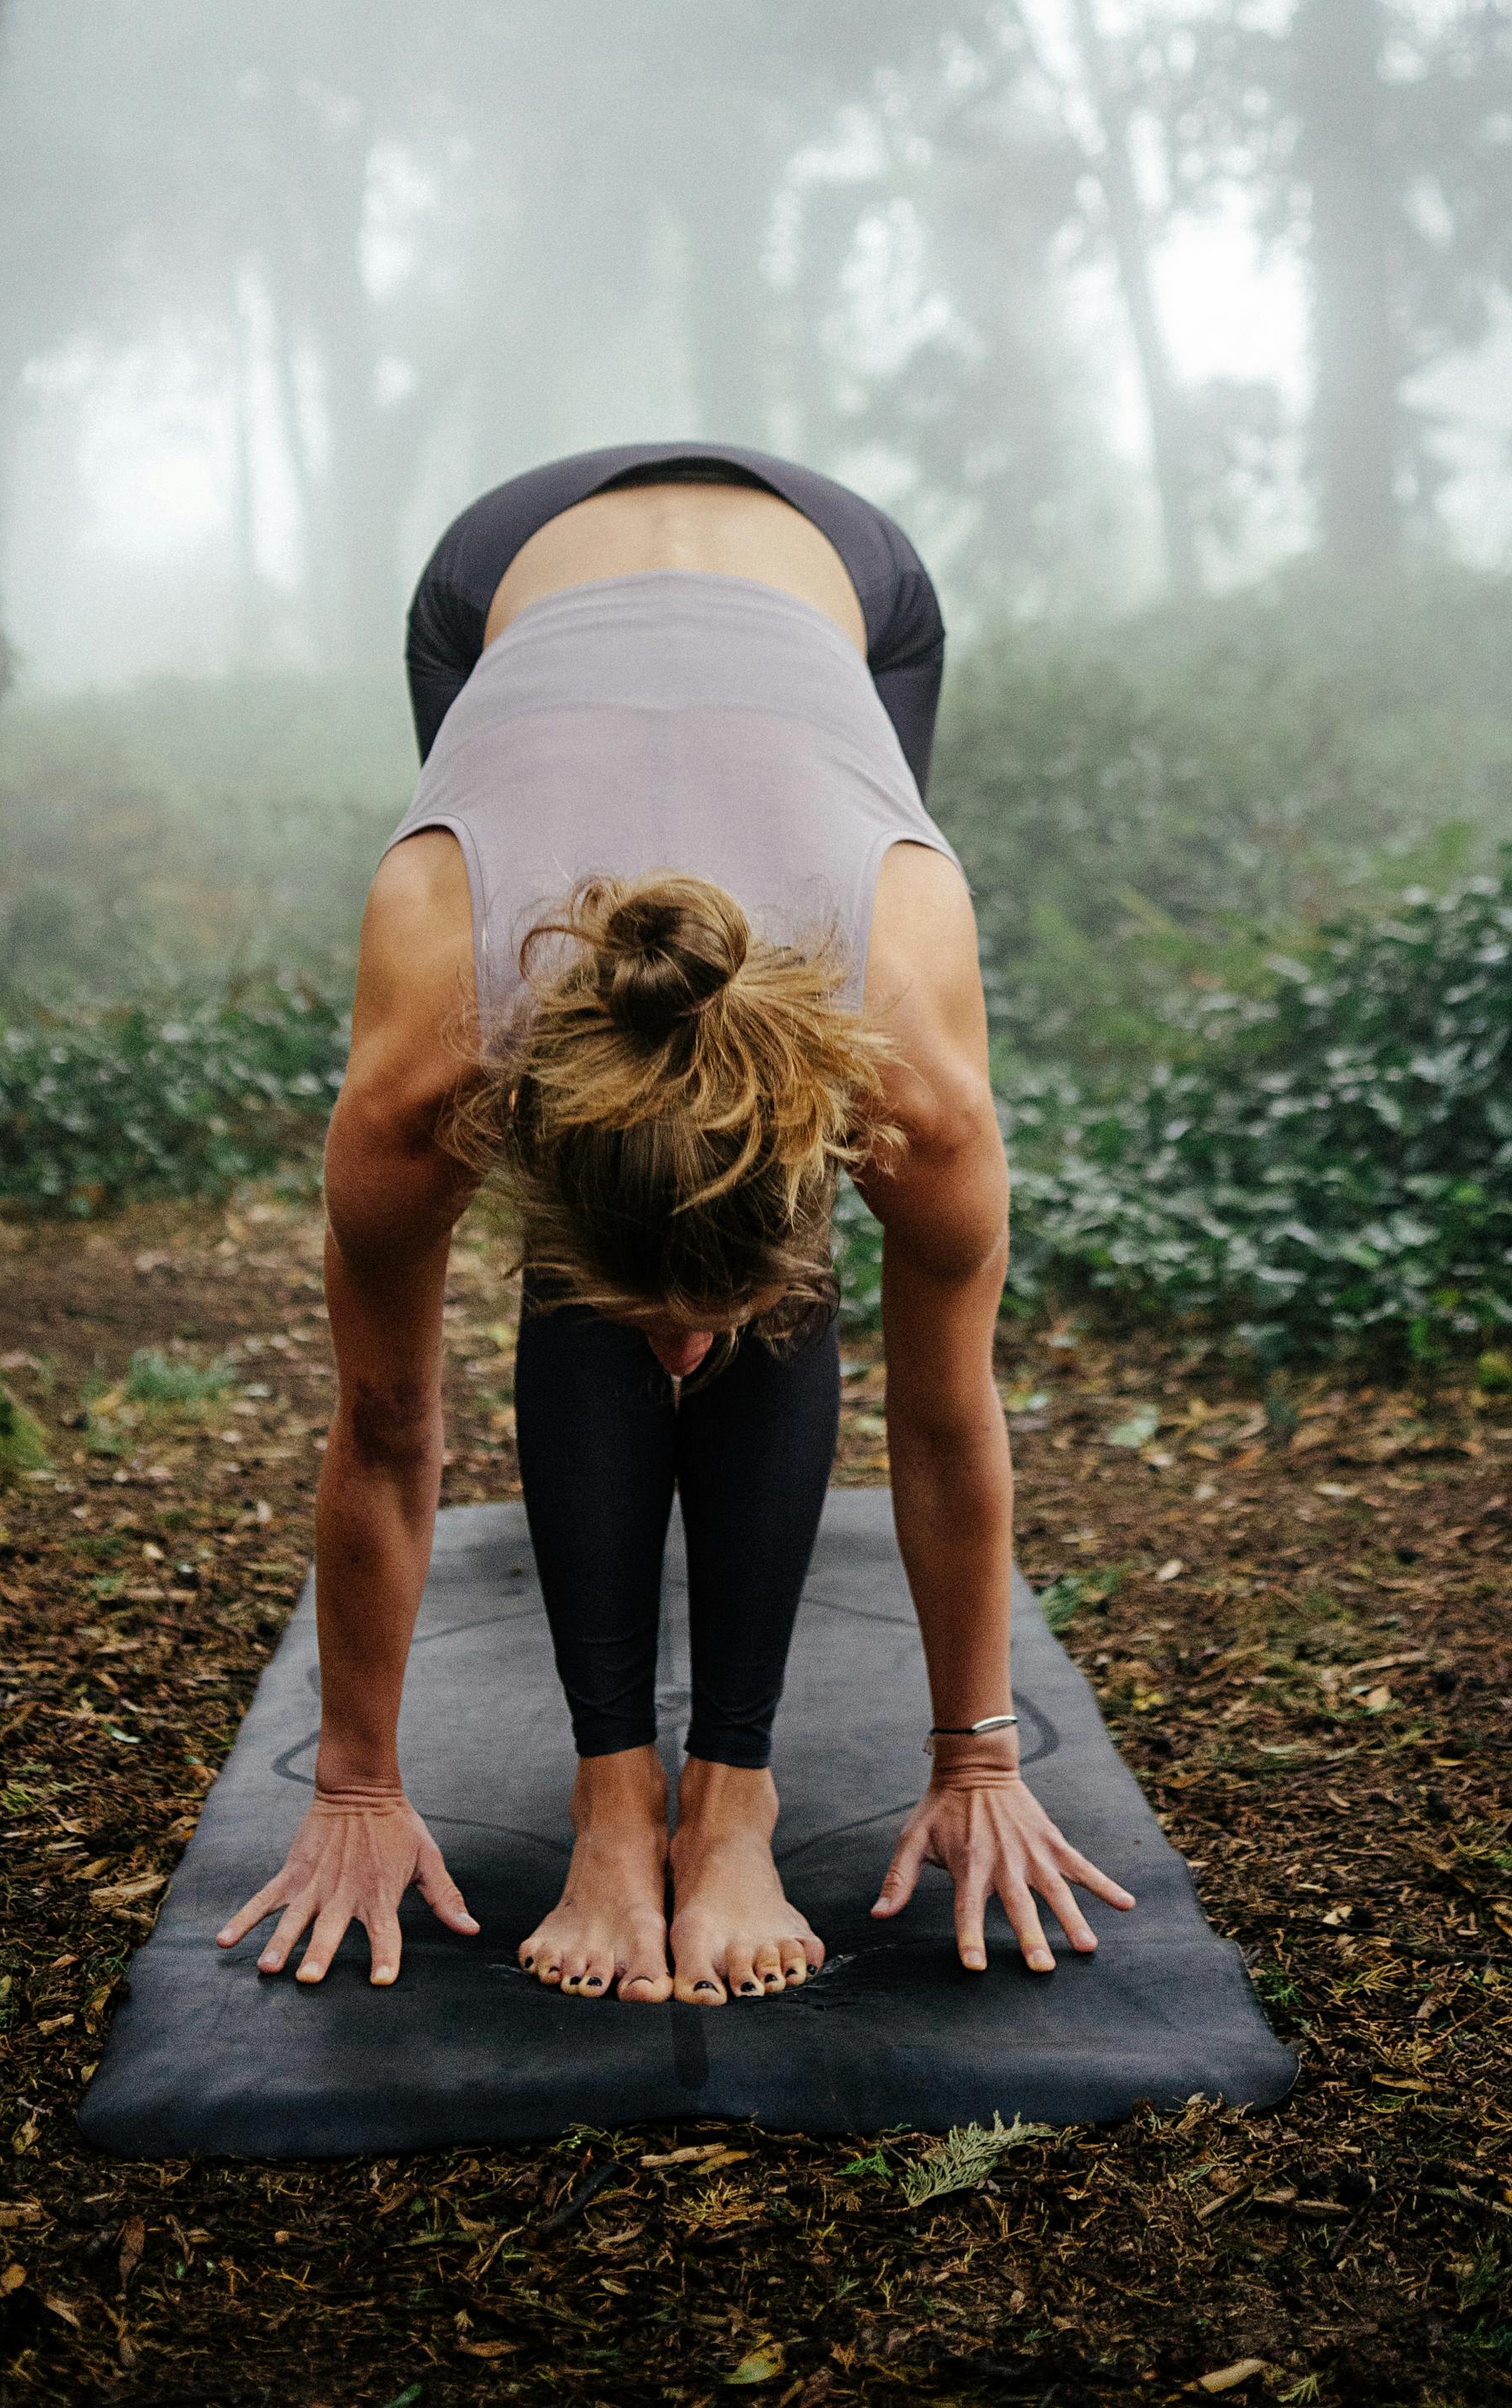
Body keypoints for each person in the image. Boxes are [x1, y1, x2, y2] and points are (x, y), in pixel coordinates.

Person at [216, 443, 1132, 2007]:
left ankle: (733, 1803)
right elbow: (383, 1424)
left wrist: (978, 1755)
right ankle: (611, 1796)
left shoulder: (907, 1066)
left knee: (700, 1239)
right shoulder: (432, 1063)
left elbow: (943, 1412)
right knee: (626, 1199)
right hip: (506, 571)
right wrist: (355, 1784)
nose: (689, 1356)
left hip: (836, 574)